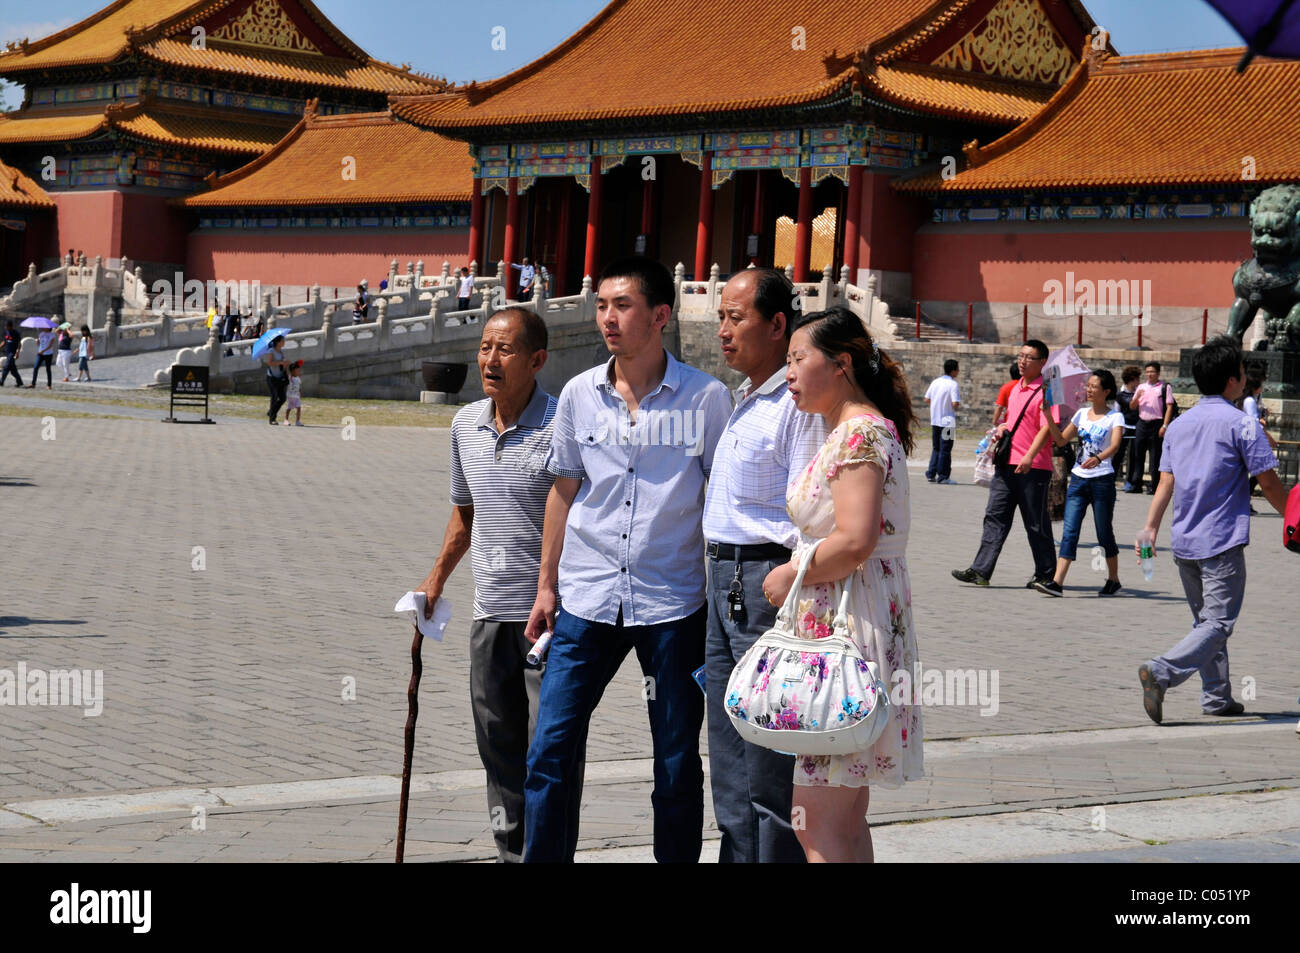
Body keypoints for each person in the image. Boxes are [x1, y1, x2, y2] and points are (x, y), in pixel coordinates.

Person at [521, 256, 730, 863]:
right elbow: (564, 488)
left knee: (674, 758)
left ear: (660, 315)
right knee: (550, 749)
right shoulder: (579, 397)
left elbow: (719, 497)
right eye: (602, 305)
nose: (608, 318)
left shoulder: (706, 398)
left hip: (674, 603)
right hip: (585, 599)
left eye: (623, 306)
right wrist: (545, 586)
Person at [416, 306, 581, 862]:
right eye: (485, 347)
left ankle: (548, 855)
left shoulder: (564, 424)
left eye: (504, 349)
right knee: (498, 747)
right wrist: (435, 580)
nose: (490, 359)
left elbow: (584, 518)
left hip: (552, 621)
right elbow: (464, 514)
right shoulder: (465, 425)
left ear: (537, 360)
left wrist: (554, 589)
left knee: (549, 752)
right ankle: (513, 853)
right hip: (490, 615)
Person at [761, 305, 922, 863]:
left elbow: (856, 540)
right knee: (844, 817)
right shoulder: (861, 428)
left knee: (818, 823)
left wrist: (791, 572)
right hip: (862, 622)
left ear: (841, 364)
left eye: (797, 359)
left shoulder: (858, 433)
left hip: (844, 633)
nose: (788, 373)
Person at [703, 268, 826, 864]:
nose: (722, 330)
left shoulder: (796, 404)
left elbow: (812, 514)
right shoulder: (744, 397)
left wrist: (788, 578)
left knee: (769, 761)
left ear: (778, 325)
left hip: (766, 585)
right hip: (721, 580)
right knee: (727, 750)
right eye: (720, 316)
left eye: (736, 317)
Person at [1136, 336, 1288, 723]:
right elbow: (1268, 482)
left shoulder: (1180, 426)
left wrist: (1150, 528)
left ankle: (1216, 697)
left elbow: (1164, 482)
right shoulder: (1243, 424)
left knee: (1207, 623)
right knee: (1219, 623)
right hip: (1221, 539)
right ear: (1232, 381)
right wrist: (1293, 518)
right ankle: (1162, 671)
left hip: (1184, 540)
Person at [952, 340, 1058, 588]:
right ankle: (980, 571)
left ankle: (1045, 573)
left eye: (1028, 357)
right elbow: (1012, 421)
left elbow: (1047, 430)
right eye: (1020, 356)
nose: (1022, 361)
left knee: (1035, 522)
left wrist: (1030, 456)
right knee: (994, 516)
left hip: (1034, 467)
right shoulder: (1015, 388)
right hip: (1006, 463)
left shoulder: (1048, 390)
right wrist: (1002, 428)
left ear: (1042, 362)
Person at [1035, 370, 1124, 596]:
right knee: (1070, 531)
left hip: (1102, 481)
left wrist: (1098, 458)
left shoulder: (1115, 417)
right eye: (1089, 385)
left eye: (1095, 386)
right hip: (1078, 480)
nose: (1089, 389)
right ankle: (1057, 583)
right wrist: (1047, 415)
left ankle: (1113, 579)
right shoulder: (1081, 414)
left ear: (1106, 391)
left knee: (1103, 532)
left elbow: (1114, 445)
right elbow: (1061, 439)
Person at [1127, 361, 1175, 494]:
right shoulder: (1141, 387)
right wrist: (1137, 397)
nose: (1149, 374)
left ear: (1158, 373)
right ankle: (1136, 484)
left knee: (1155, 457)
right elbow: (1132, 406)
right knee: (1138, 455)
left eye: (1152, 371)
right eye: (1147, 372)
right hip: (1142, 423)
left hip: (1157, 423)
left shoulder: (1164, 387)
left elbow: (1169, 406)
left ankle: (1154, 485)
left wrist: (1165, 425)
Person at [924, 358, 961, 484]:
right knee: (946, 449)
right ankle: (943, 475)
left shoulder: (935, 382)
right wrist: (953, 406)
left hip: (935, 420)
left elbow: (927, 399)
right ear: (953, 371)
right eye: (957, 369)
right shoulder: (953, 384)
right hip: (948, 421)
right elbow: (955, 403)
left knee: (936, 448)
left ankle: (931, 472)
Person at [1116, 365, 1142, 487]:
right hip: (1124, 427)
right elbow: (1117, 412)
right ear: (1132, 379)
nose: (1139, 381)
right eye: (1137, 379)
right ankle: (1112, 478)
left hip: (1137, 427)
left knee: (1134, 455)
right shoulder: (1120, 395)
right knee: (1118, 454)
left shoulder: (1139, 393)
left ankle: (1130, 481)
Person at [263, 335, 289, 424]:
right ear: (278, 342)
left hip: (280, 377)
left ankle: (271, 412)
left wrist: (285, 363)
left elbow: (281, 363)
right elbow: (269, 362)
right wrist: (281, 362)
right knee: (274, 396)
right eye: (283, 340)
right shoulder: (271, 351)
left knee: (282, 398)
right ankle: (272, 419)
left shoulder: (281, 352)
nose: (284, 342)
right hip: (272, 377)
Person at [991, 361, 1020, 427]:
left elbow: (999, 407)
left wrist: (995, 421)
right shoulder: (1029, 386)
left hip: (1009, 422)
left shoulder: (1006, 387)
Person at [30, 324, 56, 389]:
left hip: (48, 354)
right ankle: (33, 383)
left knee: (48, 369)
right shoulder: (41, 334)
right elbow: (39, 344)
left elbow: (50, 345)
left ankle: (49, 385)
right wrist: (37, 342)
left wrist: (43, 351)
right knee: (35, 367)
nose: (43, 327)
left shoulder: (52, 335)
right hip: (40, 353)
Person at [1, 320, 23, 387]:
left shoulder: (16, 333)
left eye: (7, 326)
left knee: (6, 367)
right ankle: (19, 382)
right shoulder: (7, 332)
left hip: (12, 353)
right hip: (7, 352)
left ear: (10, 326)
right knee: (13, 370)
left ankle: (1, 381)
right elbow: (4, 342)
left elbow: (19, 344)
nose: (5, 327)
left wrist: (17, 353)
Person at [282, 361, 304, 426]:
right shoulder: (290, 377)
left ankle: (297, 421)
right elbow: (287, 374)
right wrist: (286, 367)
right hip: (290, 396)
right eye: (297, 371)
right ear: (292, 371)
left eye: (299, 370)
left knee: (299, 408)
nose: (298, 372)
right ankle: (286, 420)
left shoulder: (298, 378)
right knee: (289, 408)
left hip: (297, 396)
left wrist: (300, 393)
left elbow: (299, 387)